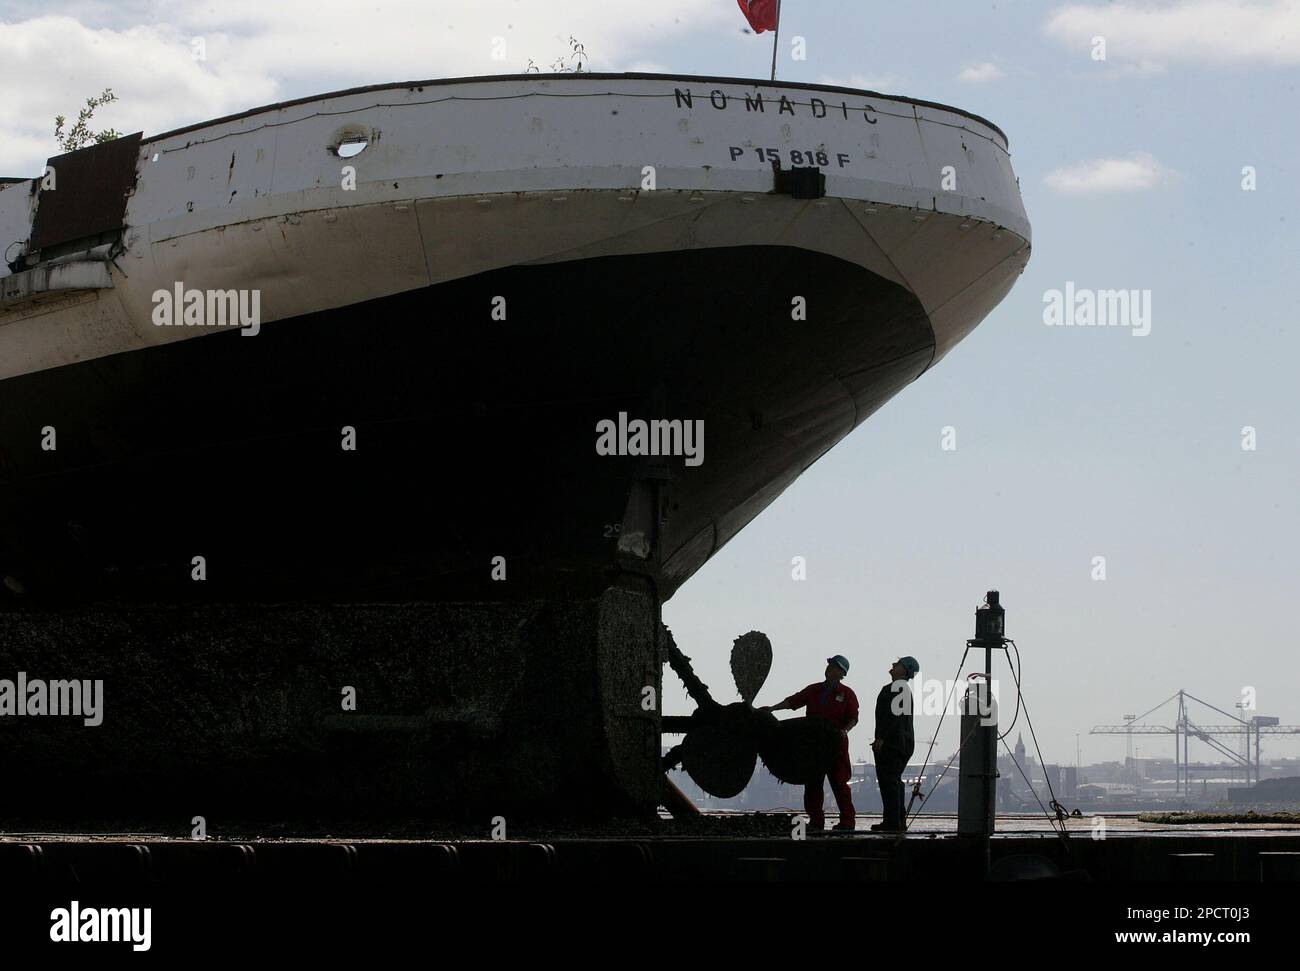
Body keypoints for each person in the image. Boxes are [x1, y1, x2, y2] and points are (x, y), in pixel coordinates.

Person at [761, 656, 858, 832]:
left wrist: (845, 731)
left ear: (841, 673)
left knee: (839, 782)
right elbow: (793, 701)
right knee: (813, 783)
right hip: (813, 747)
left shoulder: (847, 694)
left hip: (836, 746)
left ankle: (848, 823)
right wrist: (773, 709)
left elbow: (853, 718)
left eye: (833, 666)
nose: (829, 668)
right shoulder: (814, 690)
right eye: (829, 665)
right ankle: (816, 821)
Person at [871, 656, 919, 832]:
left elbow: (893, 717)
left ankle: (892, 822)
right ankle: (898, 821)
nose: (893, 664)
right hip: (903, 742)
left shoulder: (896, 688)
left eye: (897, 664)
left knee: (888, 781)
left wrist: (881, 738)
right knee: (894, 780)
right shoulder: (902, 689)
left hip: (893, 743)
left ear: (905, 670)